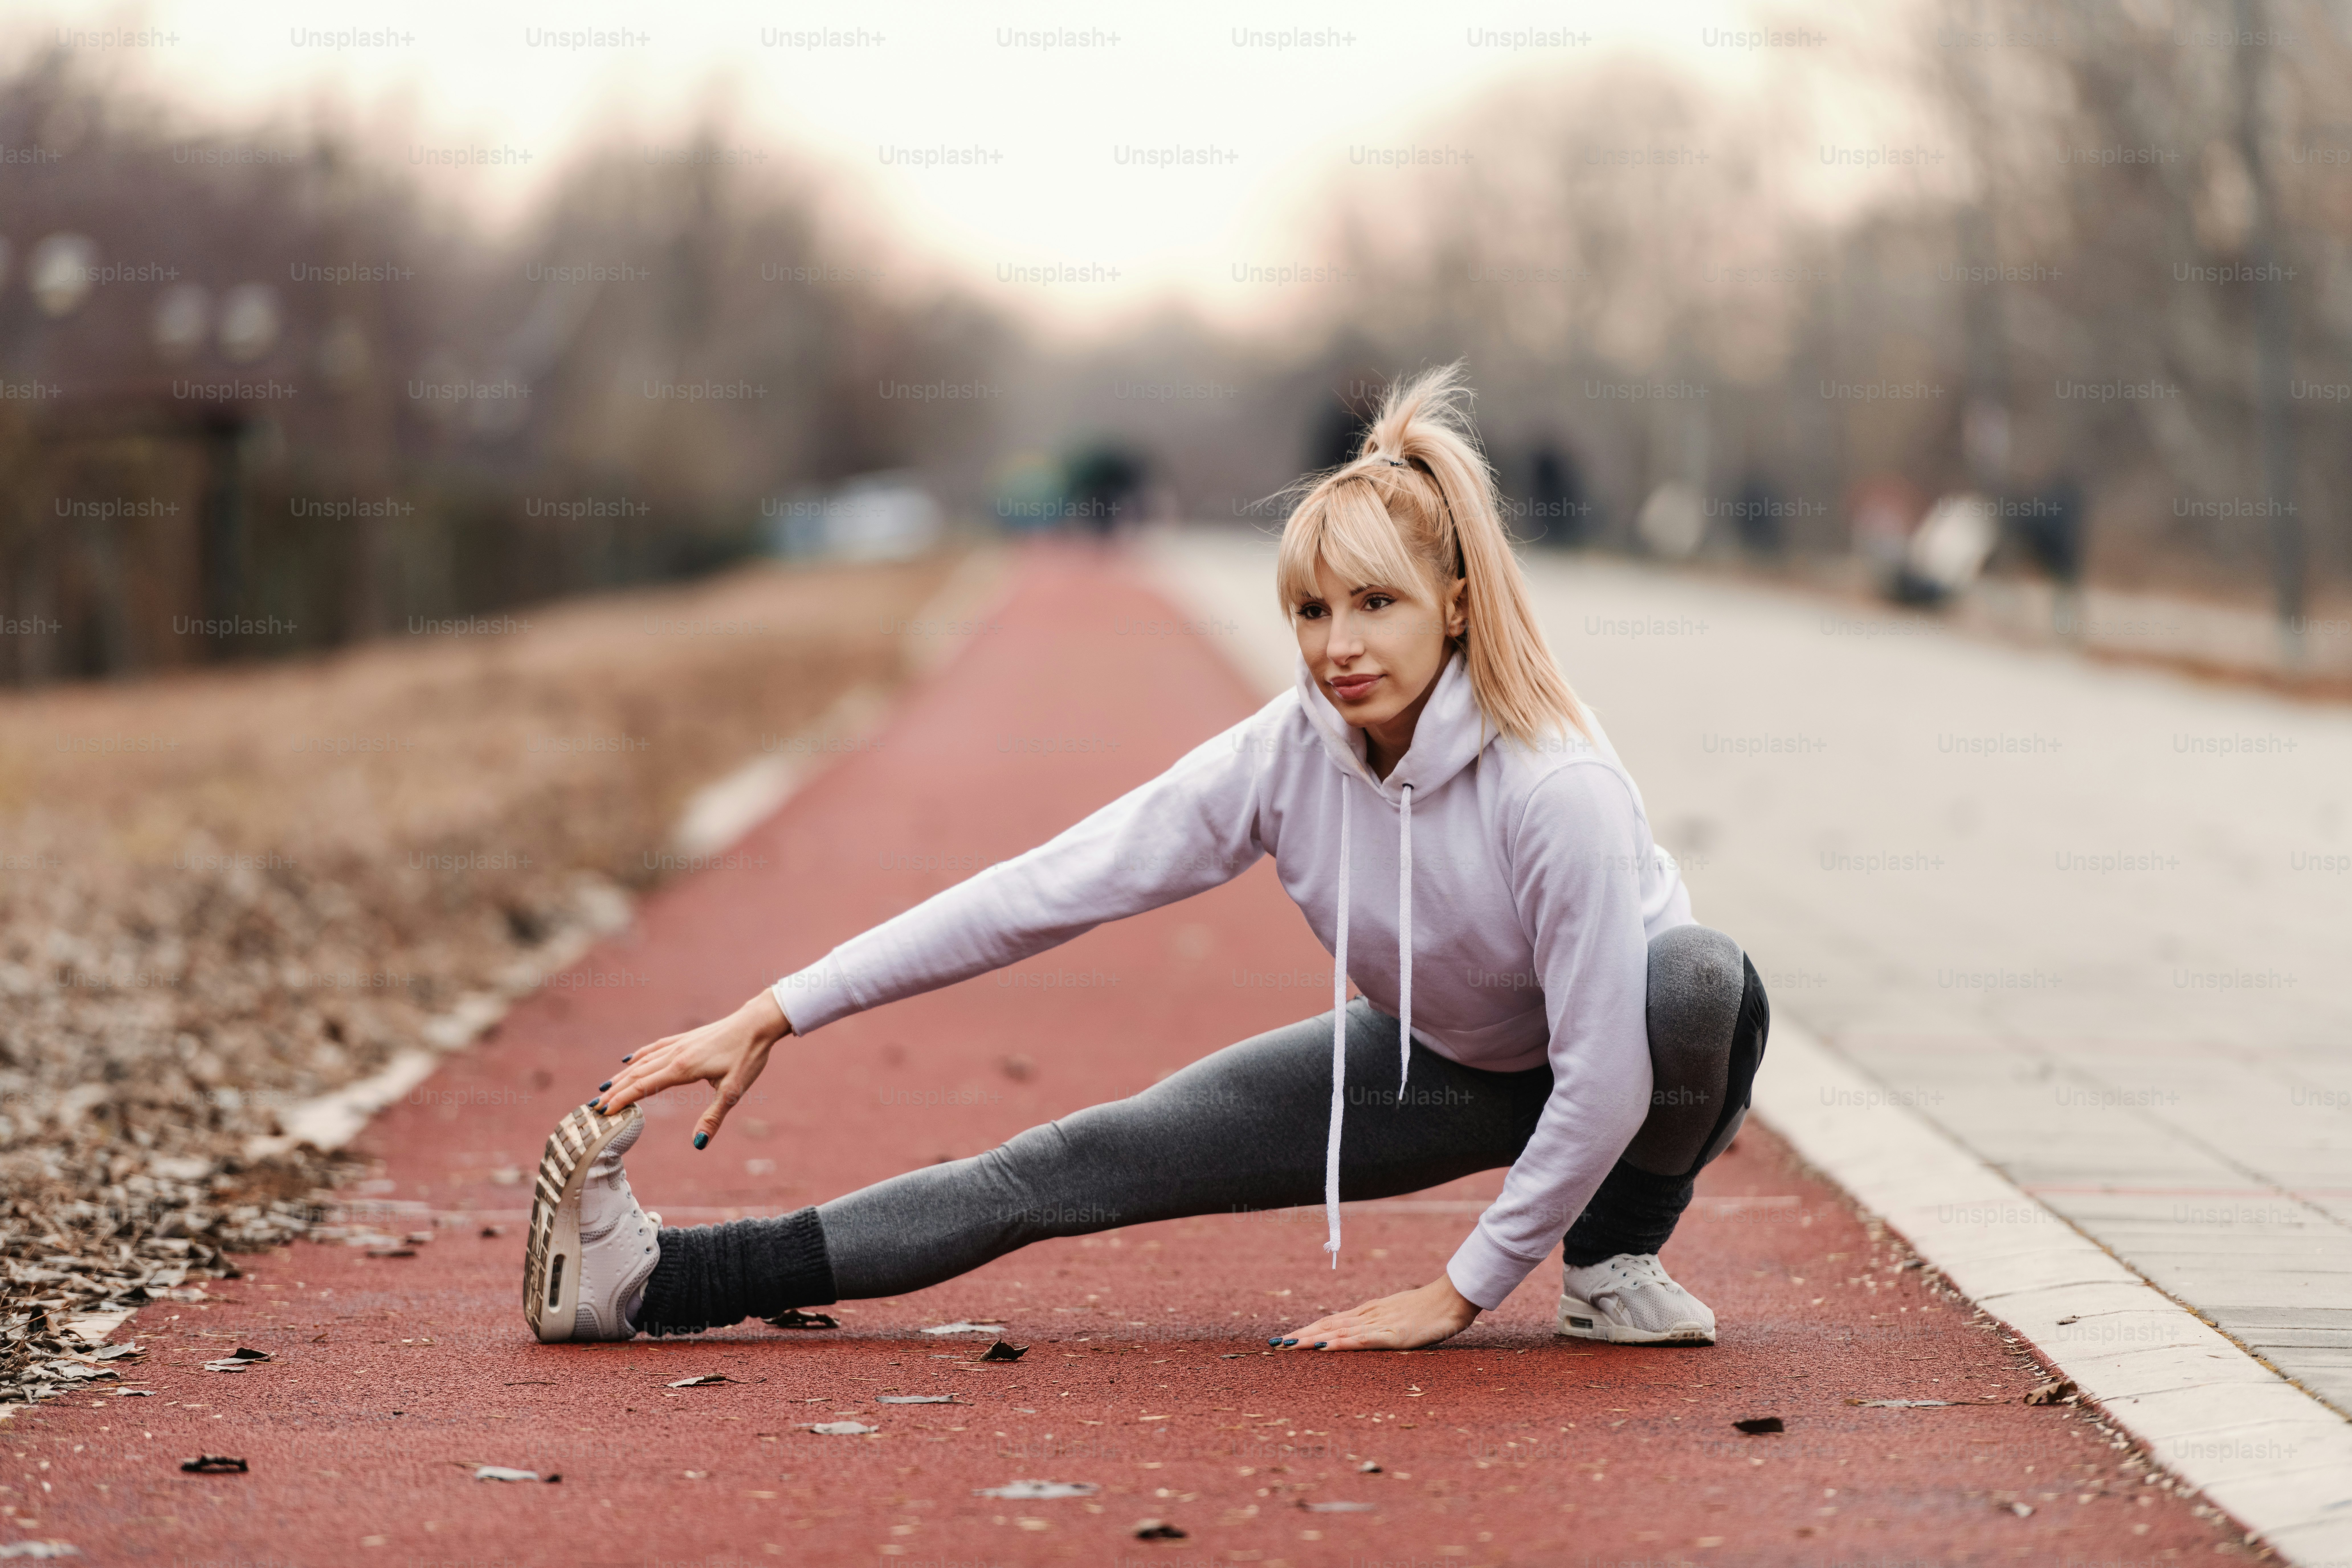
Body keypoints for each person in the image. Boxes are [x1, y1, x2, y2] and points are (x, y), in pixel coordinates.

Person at [523, 364, 1770, 1354]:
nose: (1338, 645)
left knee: (1701, 980)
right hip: (1436, 1059)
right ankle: (659, 1279)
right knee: (1058, 1165)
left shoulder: (1557, 785)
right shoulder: (1288, 752)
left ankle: (1613, 1262)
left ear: (1453, 601)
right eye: (1311, 610)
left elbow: (1604, 1074)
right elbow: (1043, 889)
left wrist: (1456, 1290)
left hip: (1637, 1064)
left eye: (1376, 604)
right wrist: (776, 1008)